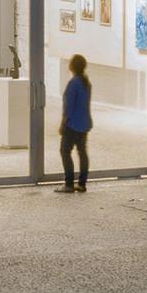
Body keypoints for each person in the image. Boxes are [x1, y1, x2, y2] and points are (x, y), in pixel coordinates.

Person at [58, 53, 93, 192]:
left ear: (73, 66)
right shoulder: (86, 82)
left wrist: (62, 123)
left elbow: (68, 107)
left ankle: (69, 183)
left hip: (72, 124)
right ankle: (82, 183)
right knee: (82, 153)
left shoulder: (73, 83)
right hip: (84, 123)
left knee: (65, 152)